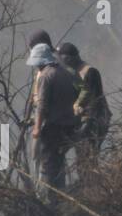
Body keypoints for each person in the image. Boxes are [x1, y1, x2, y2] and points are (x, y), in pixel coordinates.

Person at [26, 42, 77, 197]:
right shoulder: (65, 72)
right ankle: (61, 194)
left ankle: (51, 198)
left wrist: (36, 129)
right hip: (68, 125)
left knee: (48, 163)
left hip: (52, 127)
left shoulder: (46, 76)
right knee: (59, 161)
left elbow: (42, 106)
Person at [55, 42, 110, 175]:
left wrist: (85, 127)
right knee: (82, 159)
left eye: (62, 58)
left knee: (88, 158)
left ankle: (93, 189)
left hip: (94, 120)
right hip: (83, 121)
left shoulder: (89, 72)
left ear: (69, 57)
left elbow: (94, 102)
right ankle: (88, 187)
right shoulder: (71, 73)